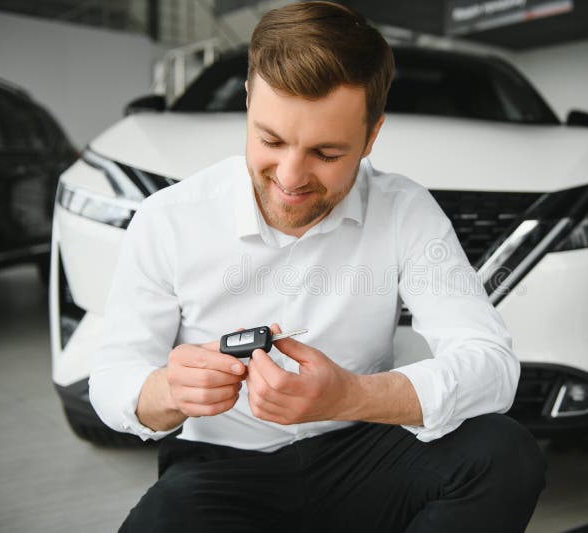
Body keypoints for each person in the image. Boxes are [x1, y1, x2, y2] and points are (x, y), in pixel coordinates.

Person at [89, 2, 545, 531]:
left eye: (326, 154)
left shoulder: (405, 209)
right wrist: (170, 391)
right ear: (249, 102)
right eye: (270, 140)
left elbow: (492, 365)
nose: (290, 177)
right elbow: (113, 379)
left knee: (503, 454)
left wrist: (352, 395)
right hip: (222, 469)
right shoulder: (167, 218)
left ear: (371, 137)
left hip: (365, 450)